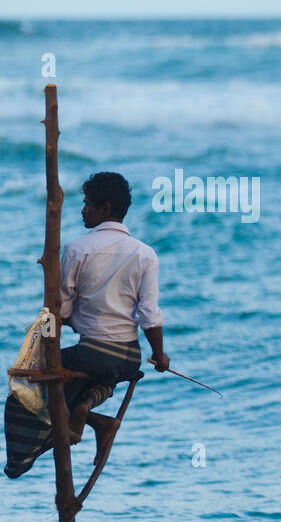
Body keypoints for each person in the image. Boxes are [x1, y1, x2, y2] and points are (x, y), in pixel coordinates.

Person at [5, 171, 167, 479]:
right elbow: (149, 313)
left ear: (104, 208)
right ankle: (93, 416)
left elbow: (61, 309)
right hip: (128, 357)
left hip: (92, 352)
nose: (82, 211)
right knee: (97, 377)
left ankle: (26, 458)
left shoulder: (77, 249)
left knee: (28, 390)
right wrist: (159, 356)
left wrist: (46, 330)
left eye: (87, 205)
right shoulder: (146, 254)